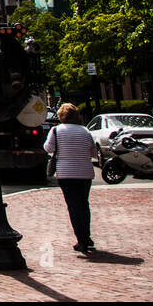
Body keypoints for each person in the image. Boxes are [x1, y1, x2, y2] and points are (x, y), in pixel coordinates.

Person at [44, 103, 96, 254]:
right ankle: (86, 236)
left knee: (73, 206)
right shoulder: (85, 131)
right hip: (85, 173)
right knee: (83, 205)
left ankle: (81, 240)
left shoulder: (56, 130)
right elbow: (93, 152)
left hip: (66, 173)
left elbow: (48, 148)